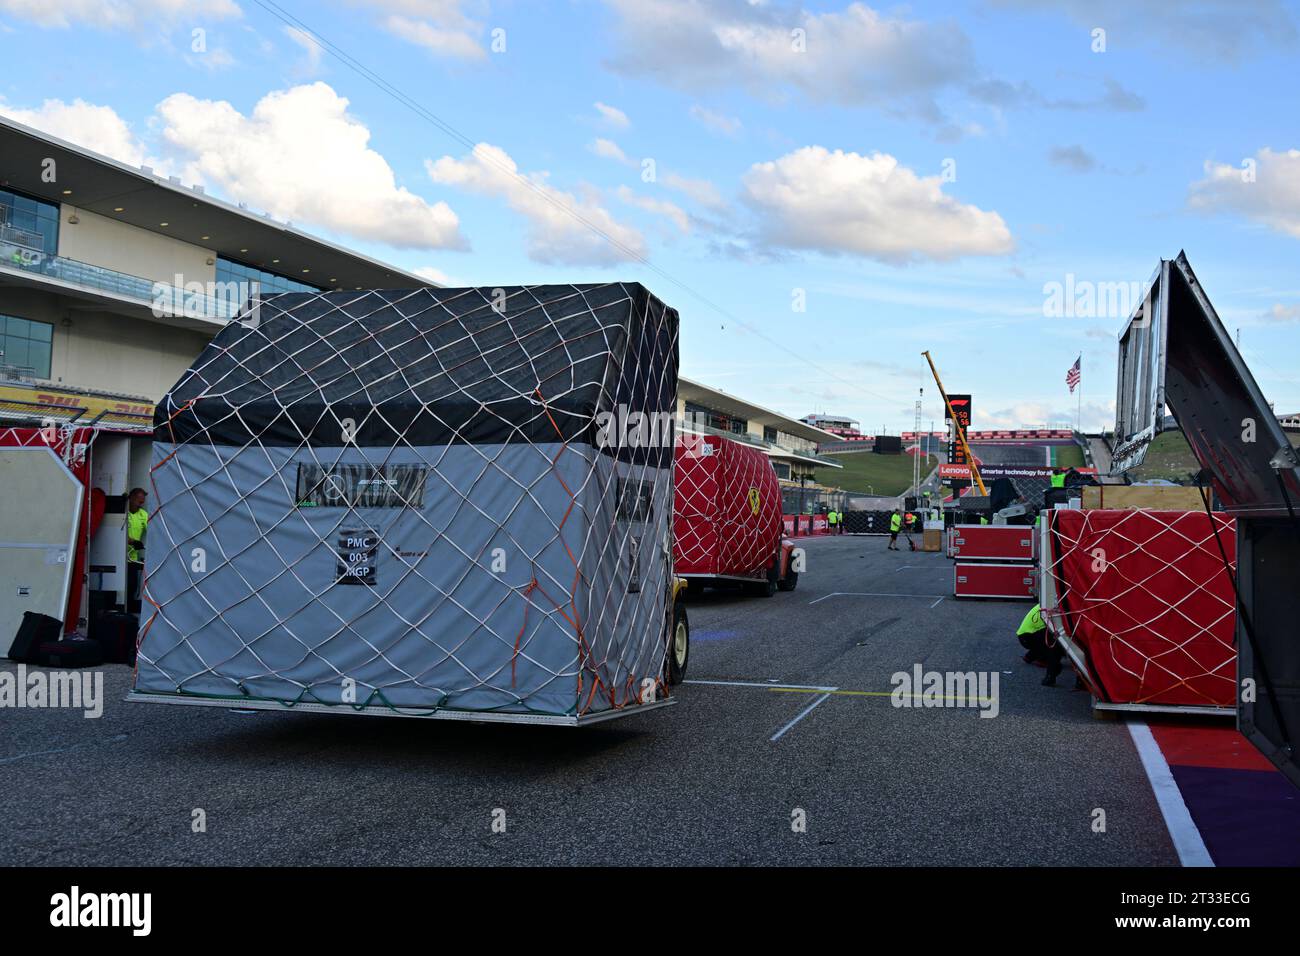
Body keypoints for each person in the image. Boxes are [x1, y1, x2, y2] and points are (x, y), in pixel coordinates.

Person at [1017, 603, 1066, 686]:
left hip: (1024, 635)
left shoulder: (1048, 600)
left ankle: (1031, 656)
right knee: (1055, 643)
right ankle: (1050, 675)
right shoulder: (1056, 607)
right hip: (1028, 637)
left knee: (1050, 635)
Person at [125, 487, 148, 614]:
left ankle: (128, 615)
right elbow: (119, 533)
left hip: (132, 558)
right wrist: (133, 541)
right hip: (119, 556)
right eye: (139, 501)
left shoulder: (142, 514)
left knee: (132, 587)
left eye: (142, 502)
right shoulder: (123, 514)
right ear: (131, 498)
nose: (141, 504)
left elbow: (153, 529)